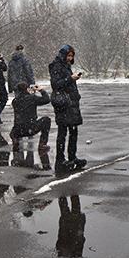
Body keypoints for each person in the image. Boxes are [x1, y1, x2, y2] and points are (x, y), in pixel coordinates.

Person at [49, 44, 85, 173]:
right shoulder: (56, 66)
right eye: (68, 56)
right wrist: (70, 79)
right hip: (63, 104)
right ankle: (60, 159)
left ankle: (72, 157)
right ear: (63, 55)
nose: (70, 58)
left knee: (73, 131)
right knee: (63, 132)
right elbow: (56, 84)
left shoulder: (66, 66)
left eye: (71, 56)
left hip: (71, 103)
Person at [9, 82, 52, 152]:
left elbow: (24, 102)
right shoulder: (32, 98)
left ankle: (15, 140)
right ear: (27, 89)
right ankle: (42, 144)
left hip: (18, 130)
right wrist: (41, 90)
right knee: (46, 120)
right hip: (31, 128)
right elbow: (47, 99)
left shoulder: (15, 101)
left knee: (12, 133)